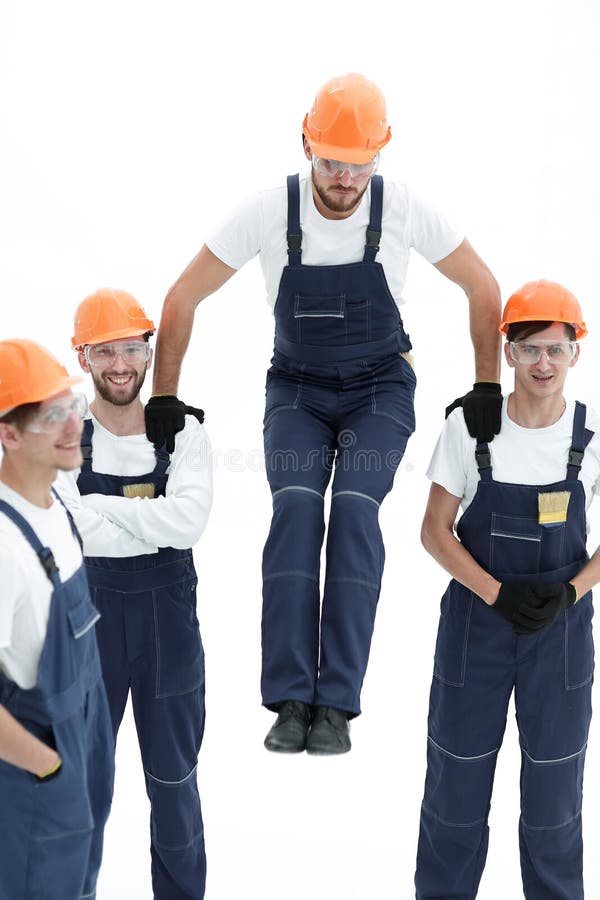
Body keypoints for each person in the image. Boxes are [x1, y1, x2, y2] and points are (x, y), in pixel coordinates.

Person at [145, 72, 502, 755]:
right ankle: (288, 700)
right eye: (331, 161)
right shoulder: (267, 209)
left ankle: (335, 703)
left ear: (380, 155)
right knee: (298, 507)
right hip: (297, 393)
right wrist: (163, 395)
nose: (343, 178)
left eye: (358, 164)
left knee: (357, 509)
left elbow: (481, 285)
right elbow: (183, 296)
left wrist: (486, 385)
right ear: (305, 145)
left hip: (380, 391)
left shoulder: (401, 209)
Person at [414, 280, 599, 899]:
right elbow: (434, 532)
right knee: (455, 795)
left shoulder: (593, 437)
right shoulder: (470, 429)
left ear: (576, 352)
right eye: (528, 349)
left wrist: (572, 593)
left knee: (553, 802)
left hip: (561, 640)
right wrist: (496, 593)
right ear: (507, 353)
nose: (542, 363)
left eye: (555, 349)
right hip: (476, 632)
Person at [55, 288, 213, 900]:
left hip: (168, 633)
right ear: (83, 357)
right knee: (82, 789)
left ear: (149, 351)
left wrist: (98, 506)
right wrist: (147, 518)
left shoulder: (186, 433)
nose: (119, 364)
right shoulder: (64, 432)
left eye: (130, 348)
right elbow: (69, 529)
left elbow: (189, 523)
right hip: (88, 629)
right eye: (104, 351)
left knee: (174, 785)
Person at [0, 339, 114, 900]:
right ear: (10, 434)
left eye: (72, 407)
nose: (74, 426)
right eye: (52, 416)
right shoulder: (3, 544)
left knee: (79, 880)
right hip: (37, 760)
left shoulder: (58, 507)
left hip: (88, 730)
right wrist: (47, 767)